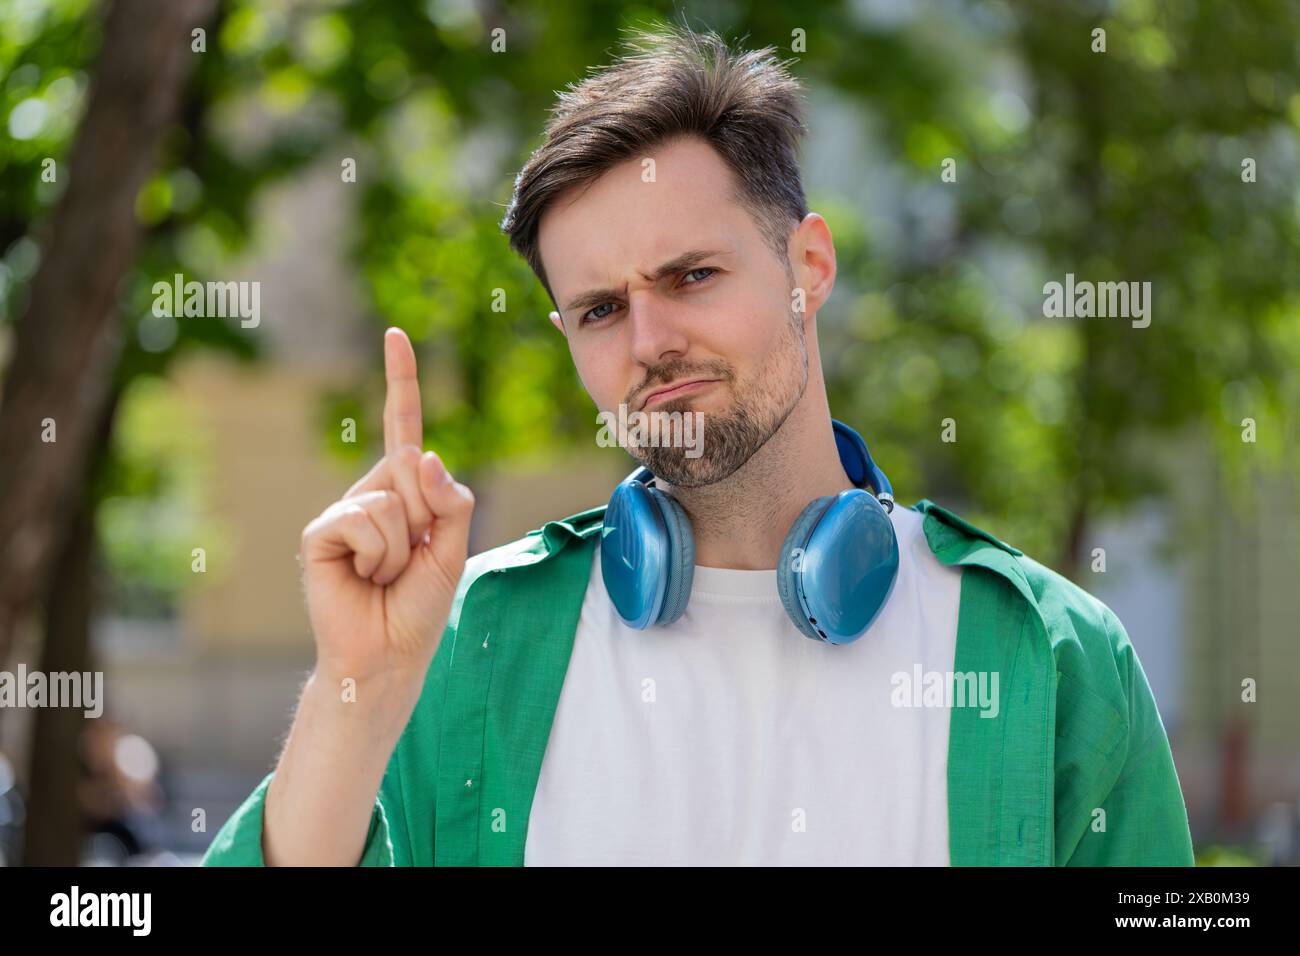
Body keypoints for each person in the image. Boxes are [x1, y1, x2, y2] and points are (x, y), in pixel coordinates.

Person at [203, 23, 1193, 866]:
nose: (648, 343)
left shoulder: (1051, 659)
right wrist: (358, 688)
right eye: (599, 309)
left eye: (690, 277)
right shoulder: (476, 640)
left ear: (806, 265)